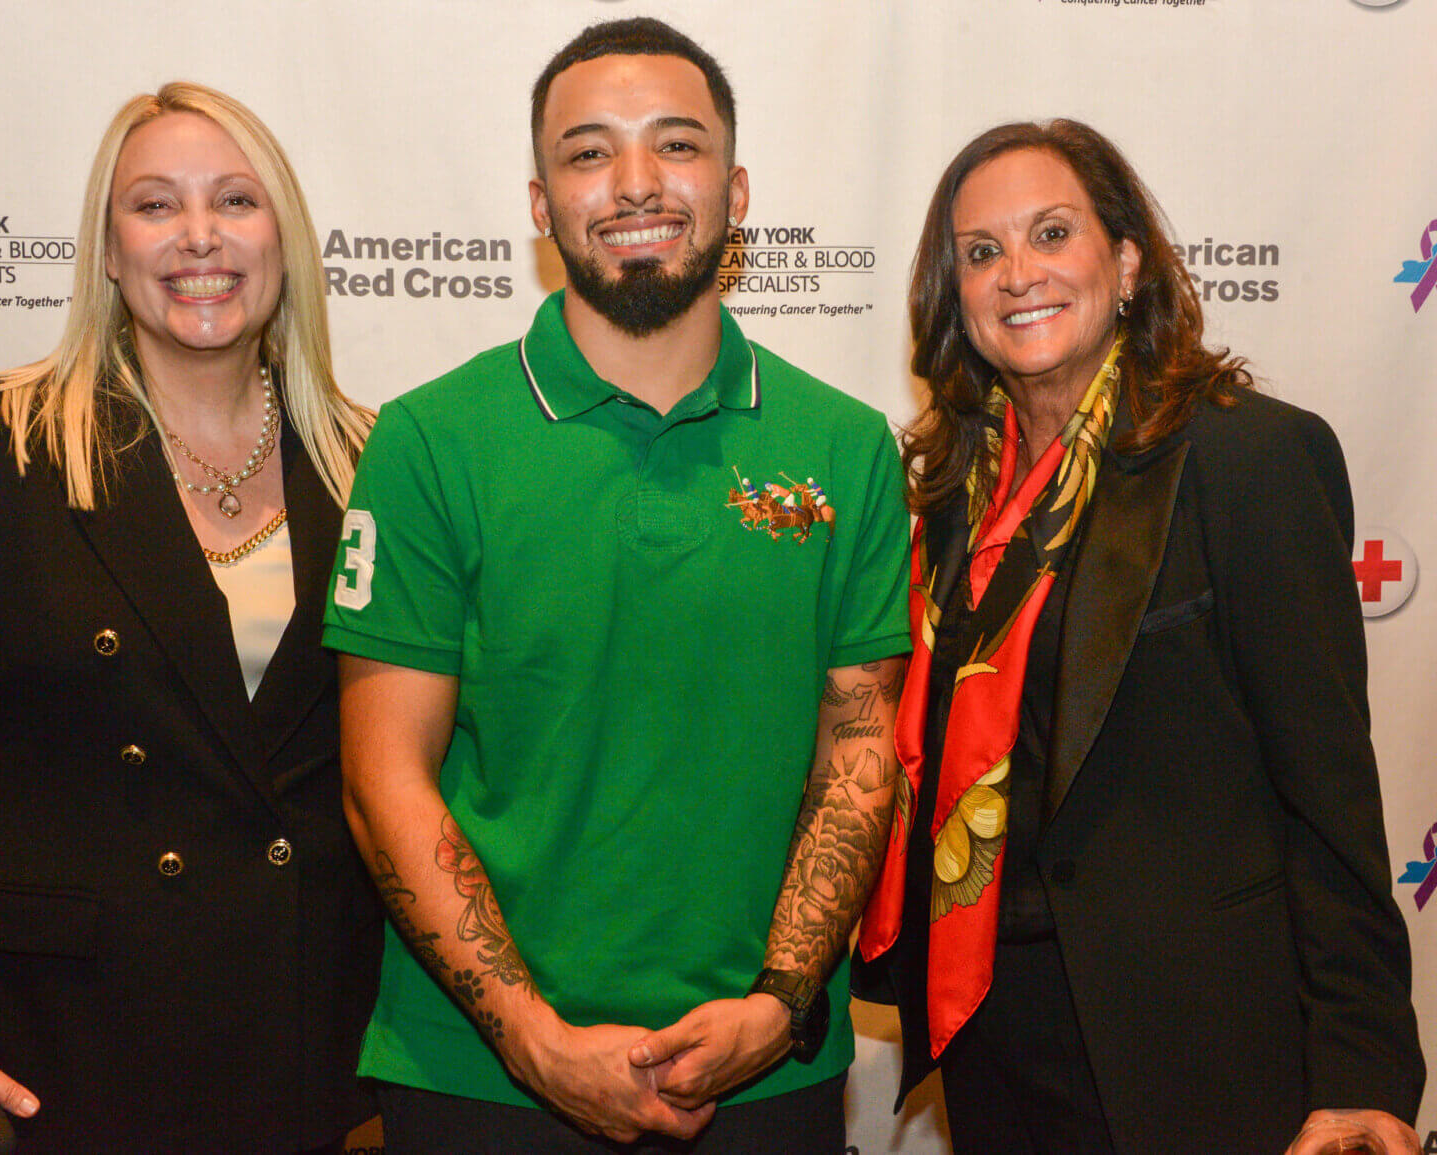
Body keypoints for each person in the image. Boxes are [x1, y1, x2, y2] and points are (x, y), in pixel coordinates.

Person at [323, 17, 911, 1153]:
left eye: (675, 145)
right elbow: (381, 775)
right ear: (542, 205)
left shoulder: (846, 448)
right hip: (478, 1079)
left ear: (736, 190)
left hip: (762, 1078)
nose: (635, 182)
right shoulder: (429, 441)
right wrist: (530, 1034)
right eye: (589, 153)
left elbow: (858, 749)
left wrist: (779, 1005)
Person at [853, 119, 1425, 1154]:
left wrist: (1363, 1066)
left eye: (1051, 234)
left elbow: (1328, 792)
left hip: (1200, 1045)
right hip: (990, 1032)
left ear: (1123, 262)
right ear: (954, 295)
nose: (1016, 273)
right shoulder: (948, 494)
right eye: (980, 253)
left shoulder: (1245, 457)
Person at [0, 82, 379, 1153]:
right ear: (107, 250)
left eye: (235, 200)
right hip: (59, 1047)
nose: (197, 238)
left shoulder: (372, 463)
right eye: (153, 205)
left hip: (310, 1042)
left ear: (285, 239)